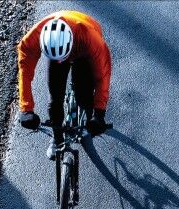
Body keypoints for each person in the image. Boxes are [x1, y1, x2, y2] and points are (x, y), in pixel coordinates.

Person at [16, 10, 112, 159]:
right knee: (55, 100)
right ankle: (57, 139)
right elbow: (24, 71)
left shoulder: (91, 40)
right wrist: (26, 109)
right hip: (59, 47)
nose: (61, 62)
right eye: (57, 59)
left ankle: (85, 114)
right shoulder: (35, 36)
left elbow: (103, 76)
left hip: (83, 49)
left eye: (63, 58)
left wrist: (99, 113)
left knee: (84, 96)